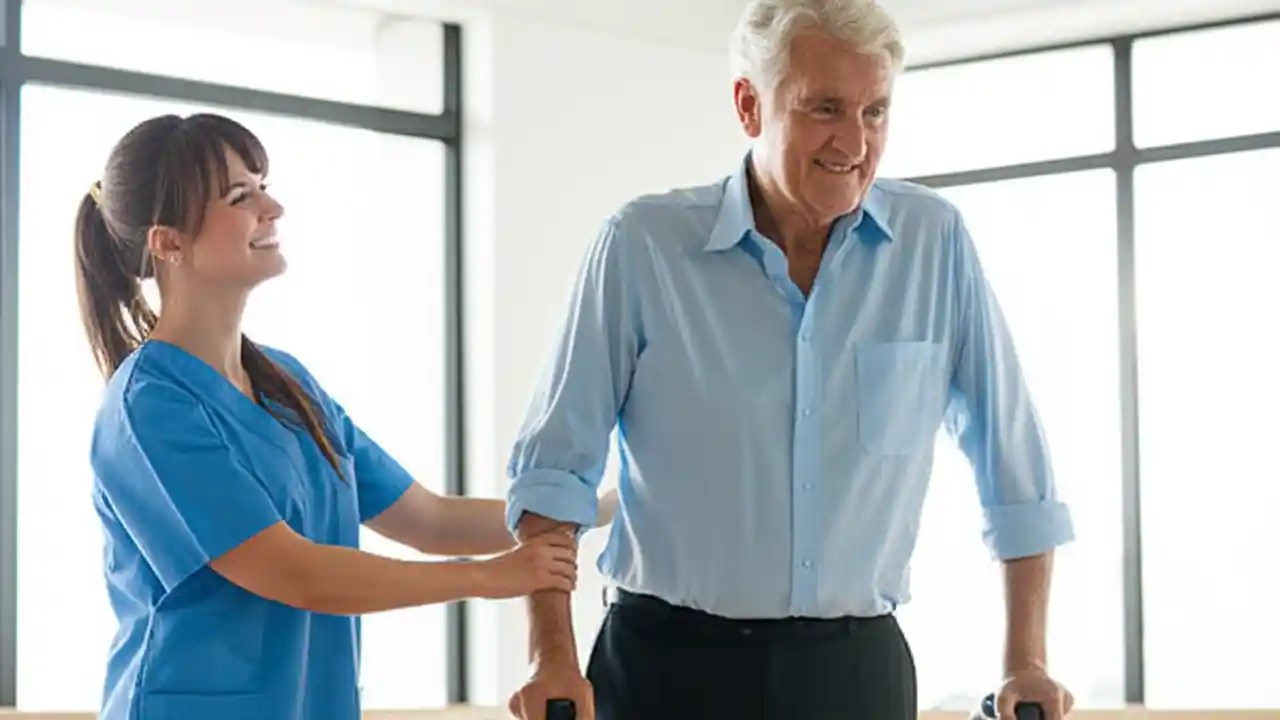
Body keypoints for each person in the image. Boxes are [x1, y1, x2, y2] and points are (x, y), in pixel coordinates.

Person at [503, 1, 1076, 719]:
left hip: (855, 672)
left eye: (875, 112)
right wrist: (549, 651)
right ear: (749, 105)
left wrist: (1026, 660)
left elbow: (1015, 469)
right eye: (825, 108)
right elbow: (555, 473)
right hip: (666, 668)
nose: (854, 141)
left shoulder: (936, 243)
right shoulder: (643, 246)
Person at [75, 112, 617, 720]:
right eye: (240, 196)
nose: (272, 207)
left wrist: (596, 508)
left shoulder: (288, 387)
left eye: (264, 184)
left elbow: (430, 519)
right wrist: (488, 578)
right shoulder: (149, 407)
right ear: (168, 242)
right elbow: (296, 572)